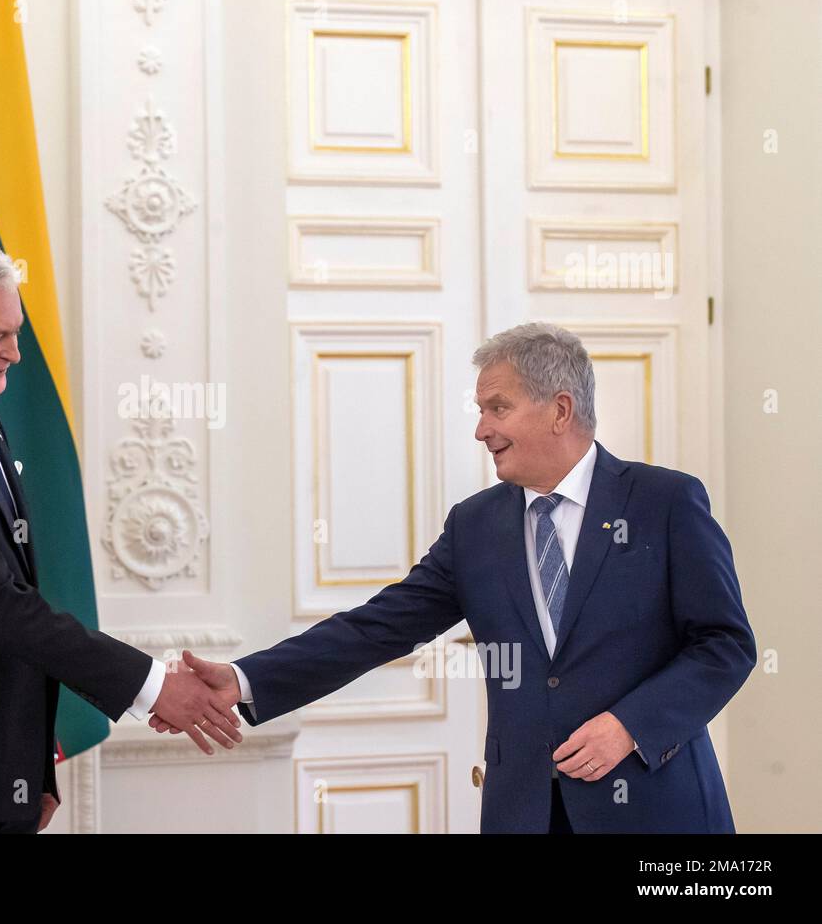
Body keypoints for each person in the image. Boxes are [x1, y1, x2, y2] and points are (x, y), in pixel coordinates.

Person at [152, 323, 756, 833]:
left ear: (560, 409)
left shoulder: (665, 502)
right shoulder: (476, 527)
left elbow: (725, 645)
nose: (481, 429)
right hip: (523, 814)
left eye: (498, 407)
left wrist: (629, 727)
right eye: (480, 410)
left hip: (657, 806)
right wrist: (244, 678)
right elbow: (375, 629)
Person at [0, 228, 240, 834]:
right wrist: (152, 686)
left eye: (16, 332)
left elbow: (8, 608)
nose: (15, 353)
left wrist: (32, 767)